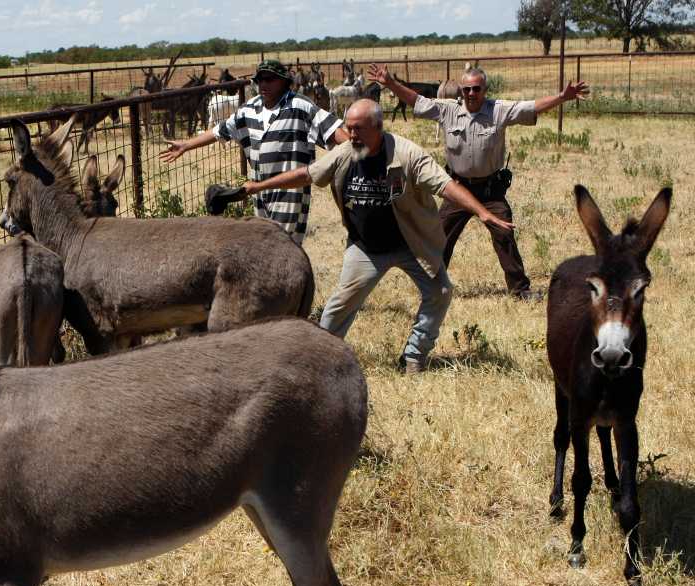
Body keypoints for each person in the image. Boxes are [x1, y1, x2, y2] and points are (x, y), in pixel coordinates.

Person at [243, 99, 515, 374]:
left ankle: (414, 356)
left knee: (440, 292)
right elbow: (307, 175)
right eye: (348, 128)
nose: (351, 135)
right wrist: (258, 187)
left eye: (358, 129)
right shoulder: (345, 153)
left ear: (378, 127)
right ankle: (318, 359)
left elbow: (445, 185)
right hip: (366, 247)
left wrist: (483, 212)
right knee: (339, 305)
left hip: (411, 244)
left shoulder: (407, 154)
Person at [368, 63, 589, 301]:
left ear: (485, 90)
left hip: (490, 190)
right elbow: (417, 101)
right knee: (440, 237)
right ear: (461, 91)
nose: (471, 94)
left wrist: (563, 97)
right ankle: (432, 287)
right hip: (457, 188)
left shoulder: (498, 110)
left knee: (504, 233)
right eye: (466, 89)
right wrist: (390, 83)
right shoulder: (448, 109)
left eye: (476, 89)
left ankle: (520, 290)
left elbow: (532, 106)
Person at [160, 59, 348, 246]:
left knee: (284, 246)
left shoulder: (300, 106)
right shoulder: (250, 109)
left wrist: (356, 148)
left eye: (270, 79)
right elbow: (220, 130)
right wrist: (186, 145)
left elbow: (336, 133)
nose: (263, 84)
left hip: (290, 193)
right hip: (259, 191)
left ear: (284, 81)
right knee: (265, 245)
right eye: (260, 80)